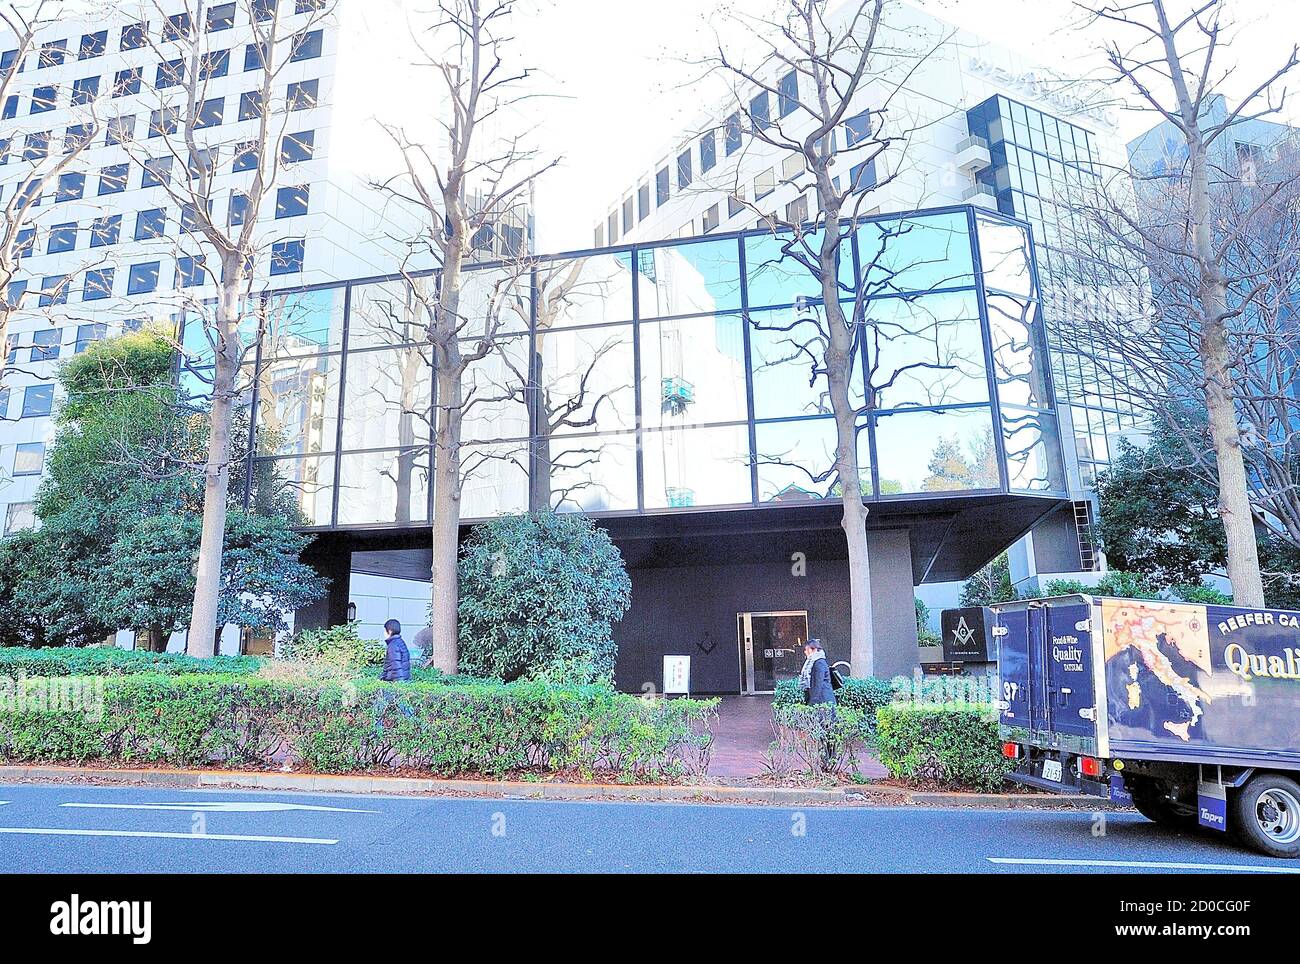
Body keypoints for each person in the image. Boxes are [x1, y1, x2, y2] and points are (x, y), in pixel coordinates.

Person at [800, 638, 835, 709]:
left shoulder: (819, 662)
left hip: (823, 699)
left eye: (807, 649)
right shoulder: (814, 662)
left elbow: (818, 683)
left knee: (824, 719)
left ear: (814, 649)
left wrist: (813, 701)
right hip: (820, 698)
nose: (805, 652)